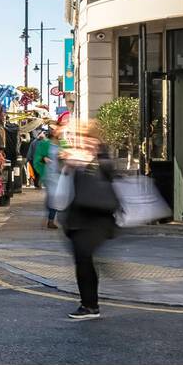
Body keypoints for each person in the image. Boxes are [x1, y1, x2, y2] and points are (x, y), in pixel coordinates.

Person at [59, 121, 120, 320]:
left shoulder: (102, 159)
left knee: (84, 257)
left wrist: (85, 163)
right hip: (77, 220)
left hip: (98, 220)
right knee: (82, 261)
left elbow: (108, 175)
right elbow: (61, 195)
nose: (83, 143)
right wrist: (68, 168)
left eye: (87, 139)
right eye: (80, 139)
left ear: (95, 139)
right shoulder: (76, 161)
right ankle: (89, 303)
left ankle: (90, 305)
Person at [44, 124, 63, 229]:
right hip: (50, 174)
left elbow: (67, 154)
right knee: (53, 198)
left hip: (60, 174)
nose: (56, 131)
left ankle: (52, 218)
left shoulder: (63, 143)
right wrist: (44, 159)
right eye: (53, 129)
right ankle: (51, 220)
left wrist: (63, 155)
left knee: (55, 198)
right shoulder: (46, 143)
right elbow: (39, 156)